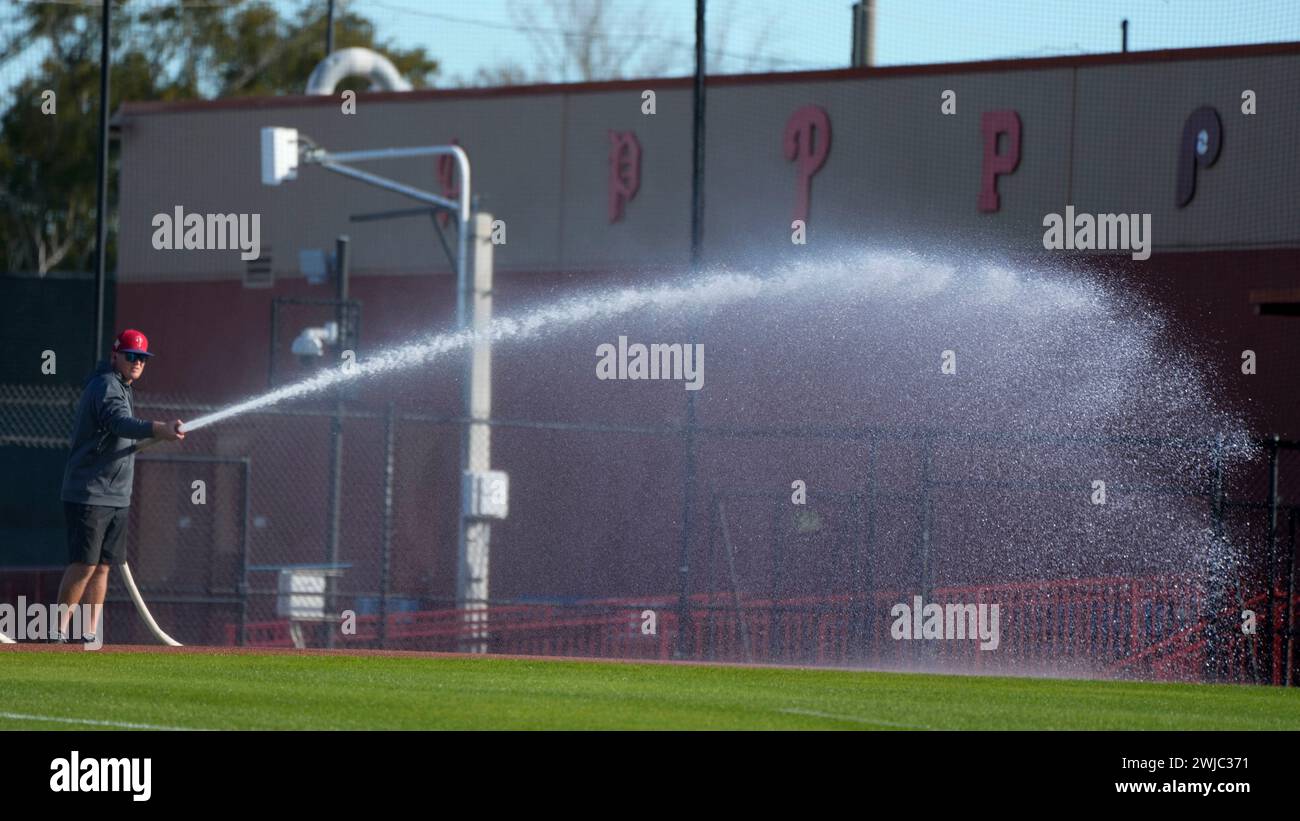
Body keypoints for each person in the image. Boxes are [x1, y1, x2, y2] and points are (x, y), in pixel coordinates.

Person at [53, 329, 185, 644]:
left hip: (115, 495)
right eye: (131, 356)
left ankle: (89, 637)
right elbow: (120, 423)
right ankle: (53, 636)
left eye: (142, 358)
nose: (137, 362)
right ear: (116, 356)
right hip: (90, 492)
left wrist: (161, 431)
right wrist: (160, 429)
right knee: (84, 563)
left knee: (103, 567)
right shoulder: (107, 386)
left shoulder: (124, 386)